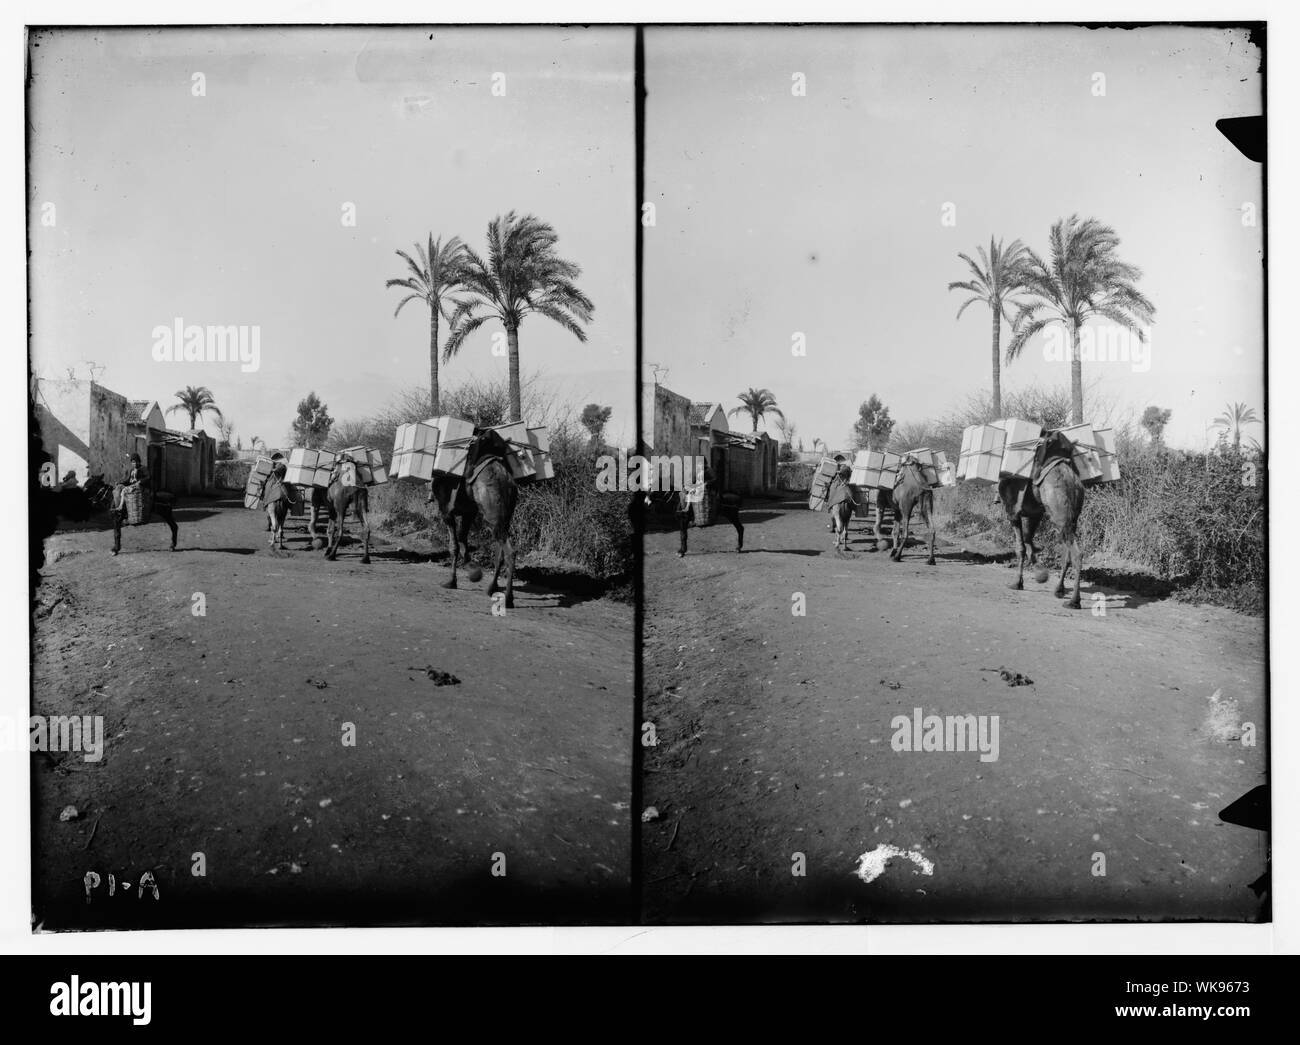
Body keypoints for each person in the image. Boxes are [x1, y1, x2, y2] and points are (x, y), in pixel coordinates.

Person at [676, 463, 743, 557]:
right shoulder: (698, 473)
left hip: (710, 491)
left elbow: (715, 479)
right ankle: (690, 514)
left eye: (701, 464)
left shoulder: (709, 471)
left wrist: (707, 483)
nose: (700, 467)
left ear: (705, 464)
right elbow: (694, 481)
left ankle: (694, 517)